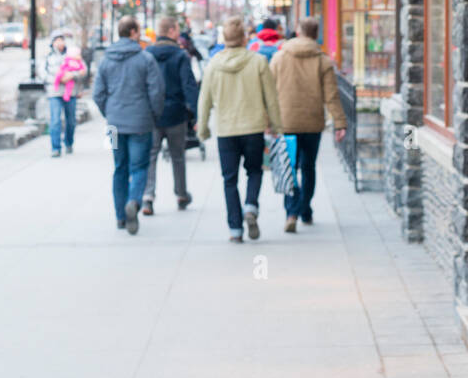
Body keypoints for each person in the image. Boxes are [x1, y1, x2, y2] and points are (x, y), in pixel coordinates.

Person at [197, 16, 283, 242]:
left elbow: (204, 100)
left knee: (229, 179)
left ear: (224, 38)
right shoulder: (258, 62)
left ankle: (235, 229)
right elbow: (271, 99)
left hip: (226, 130)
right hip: (254, 127)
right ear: (245, 37)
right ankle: (251, 206)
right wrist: (276, 125)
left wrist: (203, 130)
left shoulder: (213, 65)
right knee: (254, 171)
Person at [270, 17, 347, 233]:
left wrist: (268, 121)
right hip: (312, 123)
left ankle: (292, 211)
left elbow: (270, 93)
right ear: (316, 34)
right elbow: (331, 96)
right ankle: (305, 209)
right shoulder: (322, 61)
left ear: (297, 31)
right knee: (308, 167)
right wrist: (340, 122)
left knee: (289, 168)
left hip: (286, 122)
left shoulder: (279, 58)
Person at [93, 15, 165, 235]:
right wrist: (154, 115)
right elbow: (156, 91)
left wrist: (110, 112)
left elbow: (98, 94)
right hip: (140, 122)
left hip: (113, 124)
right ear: (133, 32)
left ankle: (120, 217)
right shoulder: (145, 59)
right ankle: (134, 201)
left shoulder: (106, 60)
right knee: (139, 166)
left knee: (119, 167)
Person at [142, 16, 199, 215]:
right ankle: (181, 193)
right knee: (178, 156)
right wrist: (195, 112)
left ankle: (148, 196)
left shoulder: (147, 54)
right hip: (175, 113)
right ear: (173, 31)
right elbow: (189, 85)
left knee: (151, 156)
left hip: (152, 114)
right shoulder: (181, 55)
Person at [43, 32, 87, 158]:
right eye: (56, 40)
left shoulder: (73, 54)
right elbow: (43, 74)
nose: (59, 43)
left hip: (71, 91)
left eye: (61, 40)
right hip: (54, 91)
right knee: (55, 120)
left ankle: (69, 142)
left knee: (71, 120)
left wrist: (72, 76)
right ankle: (55, 147)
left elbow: (83, 70)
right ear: (52, 43)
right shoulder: (48, 57)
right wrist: (58, 78)